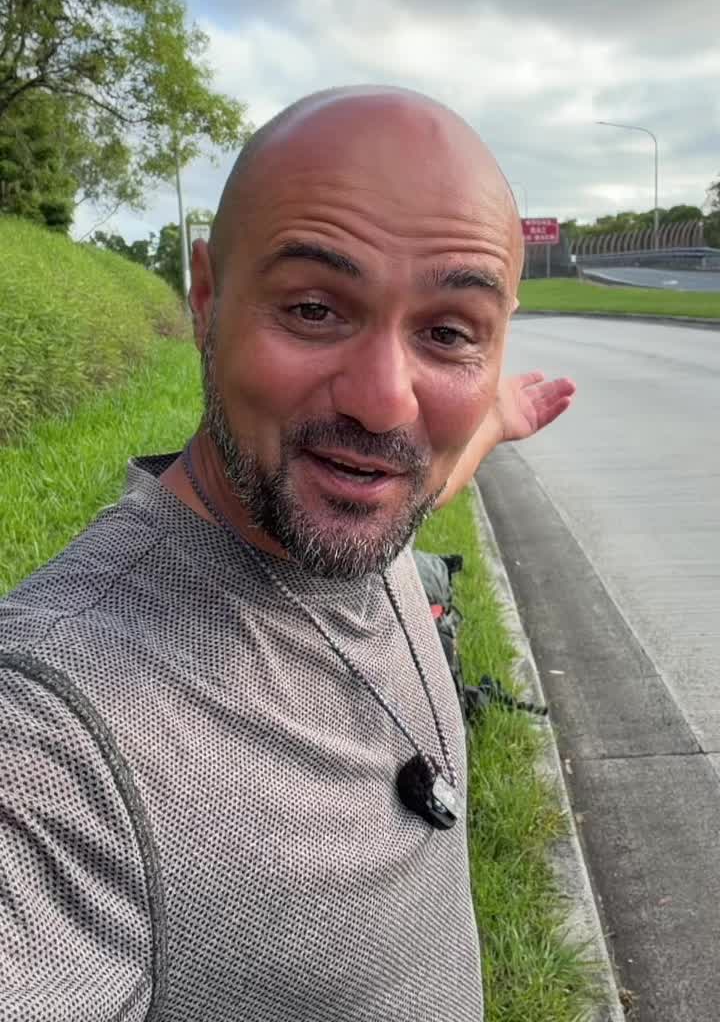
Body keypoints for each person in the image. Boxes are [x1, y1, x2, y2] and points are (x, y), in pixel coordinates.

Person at [0, 85, 575, 1022]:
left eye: (447, 333)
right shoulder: (53, 736)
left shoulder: (351, 507)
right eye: (313, 309)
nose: (385, 403)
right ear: (206, 299)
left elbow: (422, 472)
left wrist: (489, 423)